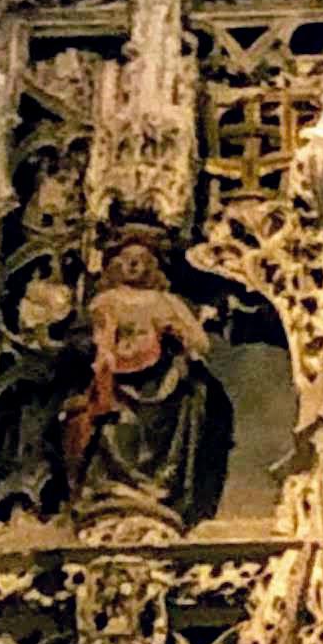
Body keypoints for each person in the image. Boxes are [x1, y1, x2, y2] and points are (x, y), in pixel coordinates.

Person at [60, 222, 228, 531]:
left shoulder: (167, 302)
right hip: (115, 381)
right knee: (116, 426)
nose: (133, 265)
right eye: (126, 259)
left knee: (176, 408)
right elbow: (81, 342)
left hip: (162, 382)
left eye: (141, 259)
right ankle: (109, 486)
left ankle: (159, 488)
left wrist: (176, 335)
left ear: (153, 265)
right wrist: (99, 345)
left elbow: (200, 343)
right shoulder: (105, 301)